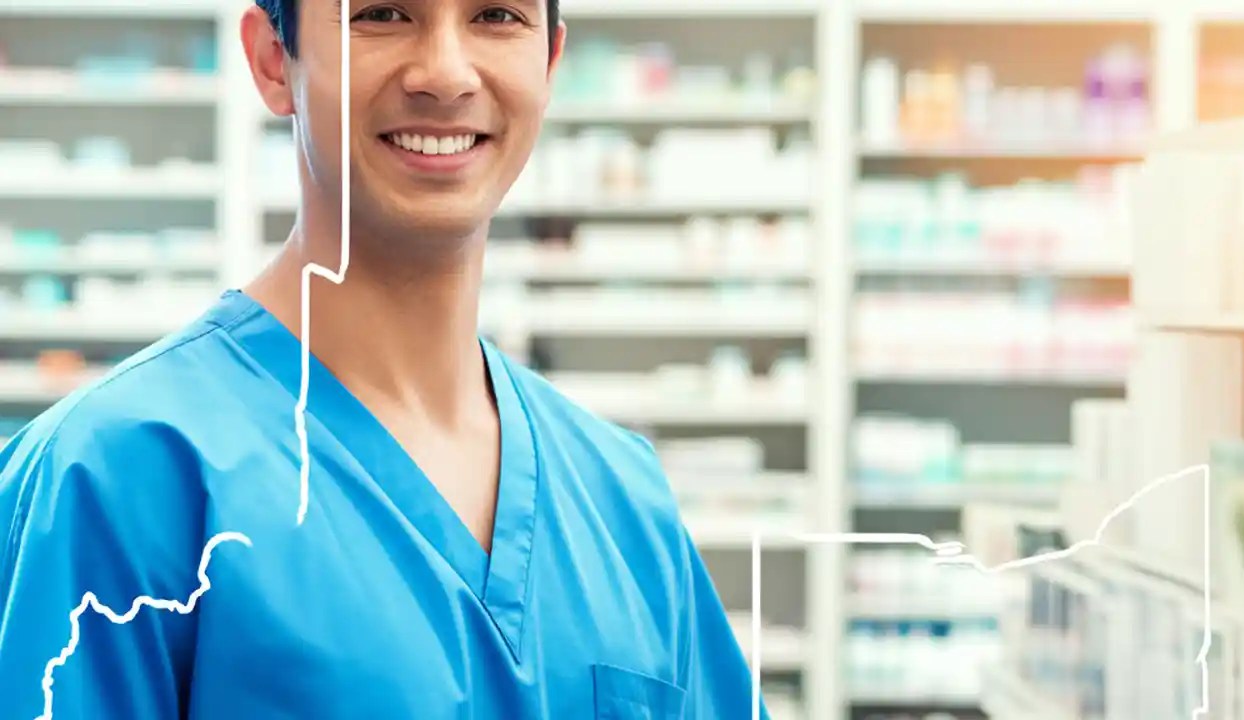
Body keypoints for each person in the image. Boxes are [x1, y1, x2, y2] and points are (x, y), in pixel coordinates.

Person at [0, 0, 767, 718]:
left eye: (496, 15)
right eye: (382, 13)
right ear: (274, 61)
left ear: (549, 64)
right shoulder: (113, 473)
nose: (445, 73)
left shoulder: (624, 501)